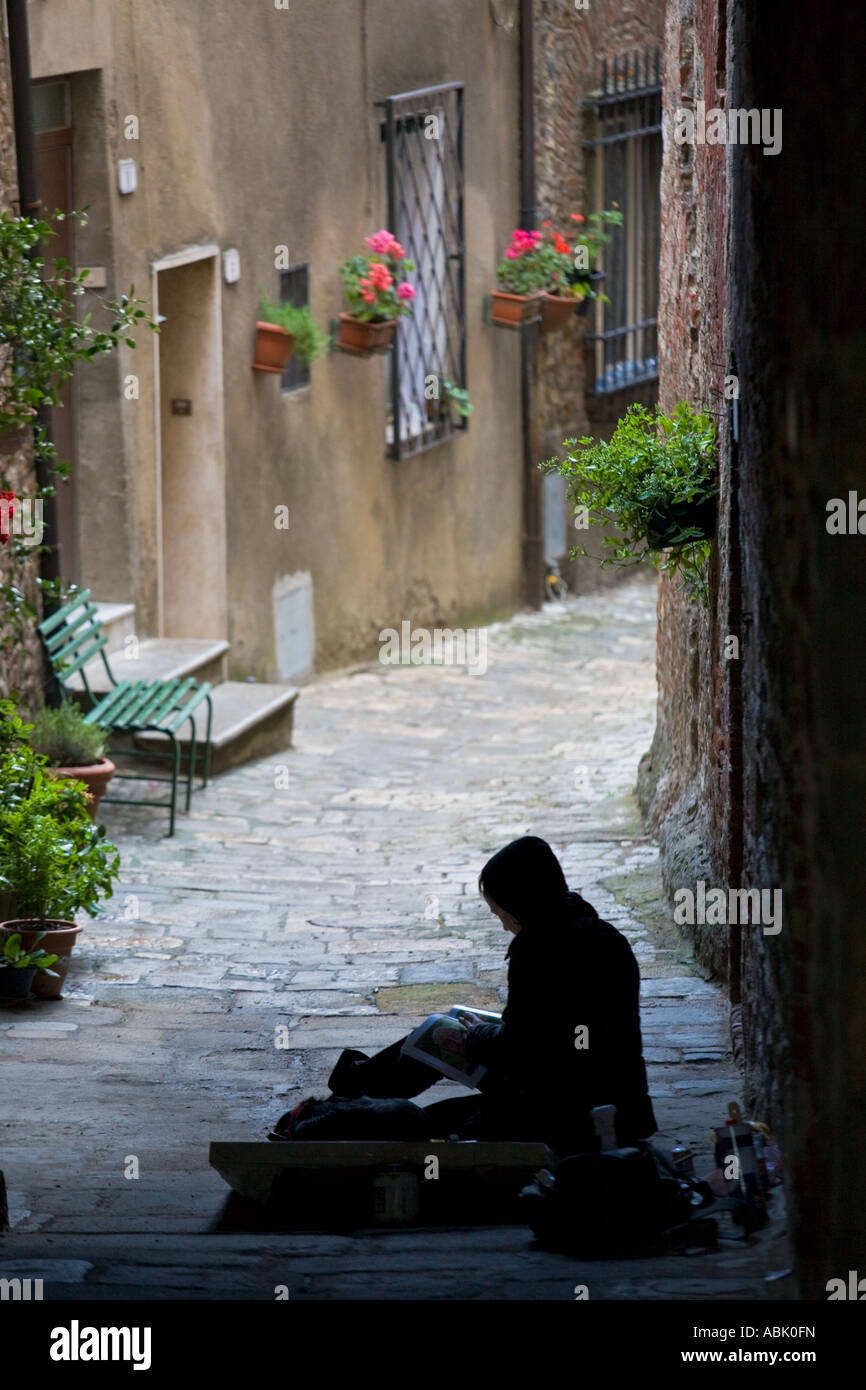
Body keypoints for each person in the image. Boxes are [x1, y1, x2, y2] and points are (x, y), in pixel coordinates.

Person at [327, 835, 657, 1156]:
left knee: (433, 1114)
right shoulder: (605, 936)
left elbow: (524, 1050)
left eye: (501, 914)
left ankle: (348, 1101)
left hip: (571, 1111)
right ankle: (355, 1093)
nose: (503, 926)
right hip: (616, 1103)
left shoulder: (539, 949)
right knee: (441, 1031)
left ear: (520, 903)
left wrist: (476, 1036)